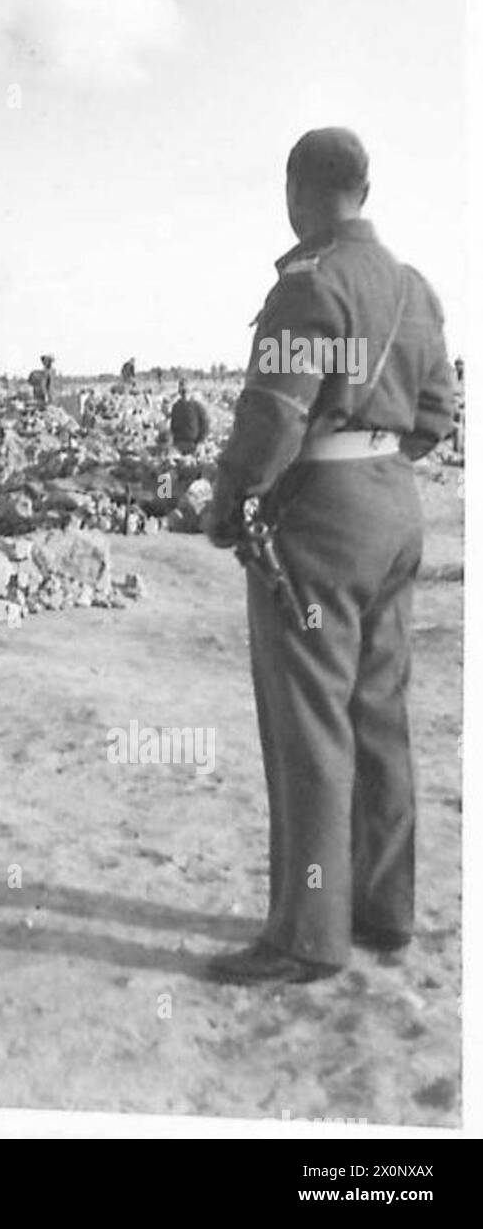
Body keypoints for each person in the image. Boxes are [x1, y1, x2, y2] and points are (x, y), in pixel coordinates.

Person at [206, 127, 456, 985]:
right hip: (395, 507)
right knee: (379, 714)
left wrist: (231, 496)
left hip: (321, 518)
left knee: (312, 726)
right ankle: (384, 913)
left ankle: (308, 936)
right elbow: (436, 417)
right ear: (366, 187)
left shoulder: (309, 283)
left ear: (297, 190)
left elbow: (275, 413)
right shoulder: (414, 288)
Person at [169, 380, 210, 455]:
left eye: (186, 390)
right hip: (179, 444)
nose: (184, 393)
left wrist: (201, 442)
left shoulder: (198, 406)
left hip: (195, 444)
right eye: (182, 391)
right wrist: (173, 442)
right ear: (179, 392)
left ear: (190, 392)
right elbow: (173, 426)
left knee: (198, 463)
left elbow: (205, 426)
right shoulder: (176, 407)